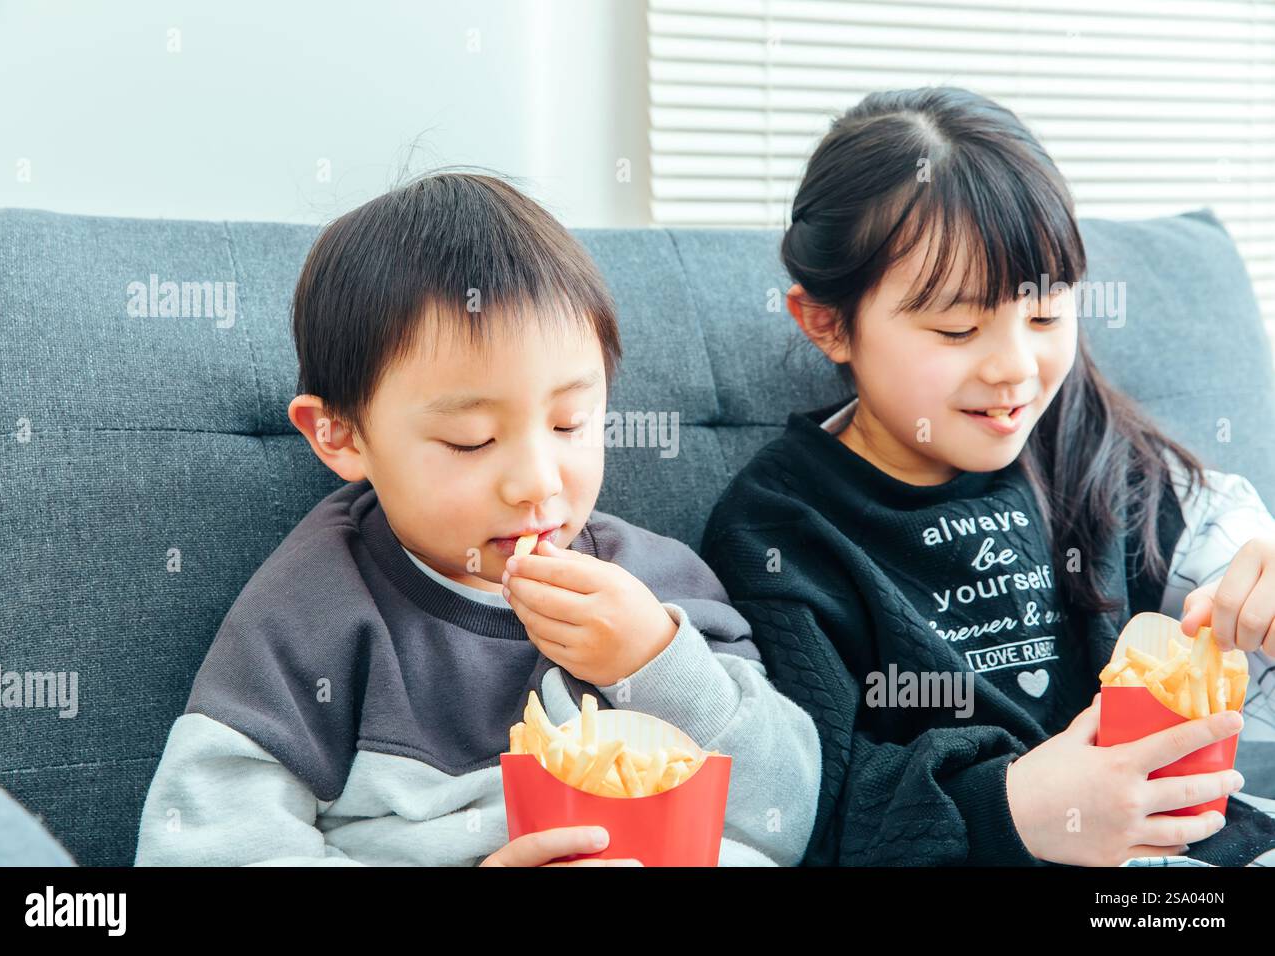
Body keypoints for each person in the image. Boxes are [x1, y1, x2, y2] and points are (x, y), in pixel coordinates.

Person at [134, 172, 820, 866]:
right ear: (339, 435)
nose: (537, 482)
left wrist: (657, 665)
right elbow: (203, 845)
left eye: (569, 422)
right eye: (471, 441)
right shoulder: (311, 614)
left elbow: (784, 818)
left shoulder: (660, 588)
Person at [701, 87, 1275, 867]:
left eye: (1044, 316)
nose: (1014, 369)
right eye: (957, 328)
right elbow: (801, 802)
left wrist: (1260, 583)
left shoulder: (1082, 432)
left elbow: (1222, 557)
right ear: (827, 323)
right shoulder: (781, 532)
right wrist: (1010, 809)